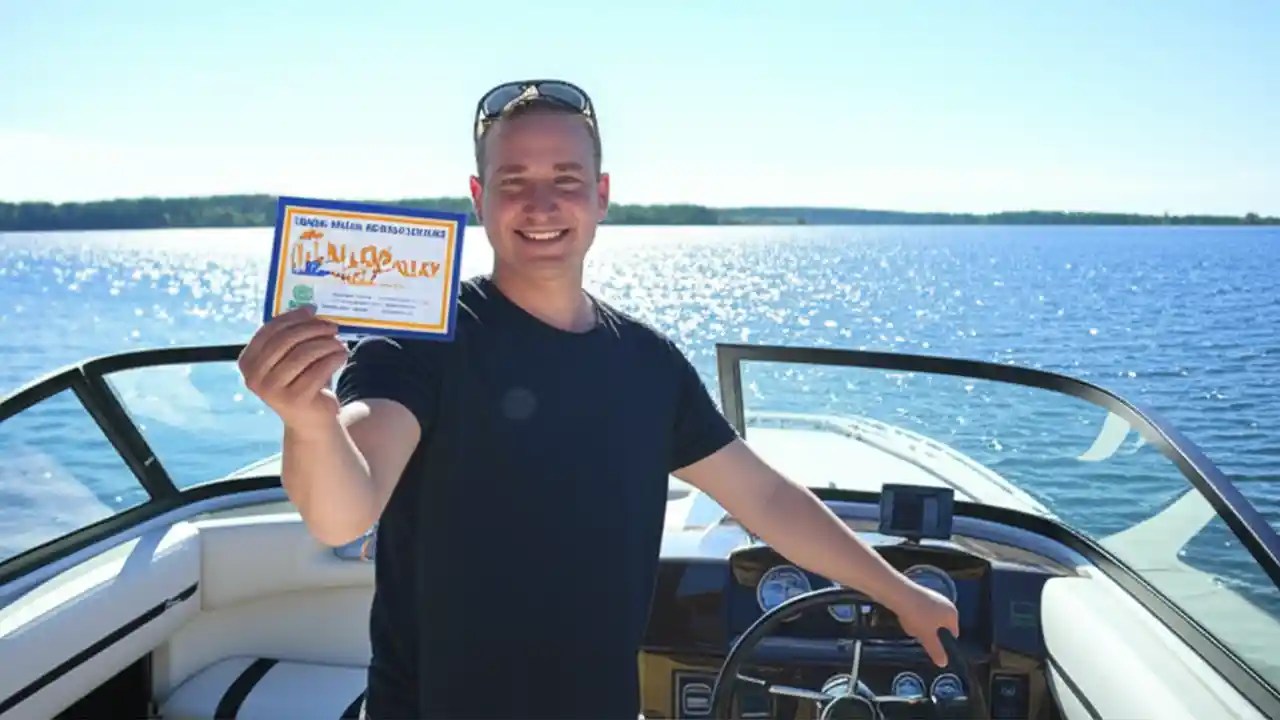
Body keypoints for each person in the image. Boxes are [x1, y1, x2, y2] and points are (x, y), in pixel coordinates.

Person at [237, 79, 960, 720]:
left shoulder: (648, 362)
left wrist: (899, 591)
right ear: (479, 198)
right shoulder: (422, 342)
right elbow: (344, 509)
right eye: (514, 180)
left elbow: (765, 498)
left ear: (601, 195)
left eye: (566, 178)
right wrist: (310, 421)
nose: (542, 204)